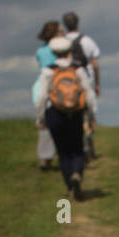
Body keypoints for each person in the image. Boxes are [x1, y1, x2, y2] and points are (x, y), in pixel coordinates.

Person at [34, 34, 97, 199]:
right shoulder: (78, 69)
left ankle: (70, 184)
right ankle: (77, 174)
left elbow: (41, 97)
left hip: (55, 112)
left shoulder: (48, 71)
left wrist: (40, 117)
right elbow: (89, 94)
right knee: (77, 149)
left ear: (54, 52)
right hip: (75, 113)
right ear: (69, 51)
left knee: (63, 152)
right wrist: (91, 115)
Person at [62, 12, 100, 160]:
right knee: (88, 112)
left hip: (66, 82)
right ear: (78, 23)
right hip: (85, 80)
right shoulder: (87, 41)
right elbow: (95, 64)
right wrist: (97, 83)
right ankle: (88, 141)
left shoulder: (61, 41)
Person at [33, 20, 62, 169]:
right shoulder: (58, 50)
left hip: (40, 86)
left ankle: (45, 158)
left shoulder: (40, 51)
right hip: (56, 85)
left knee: (43, 125)